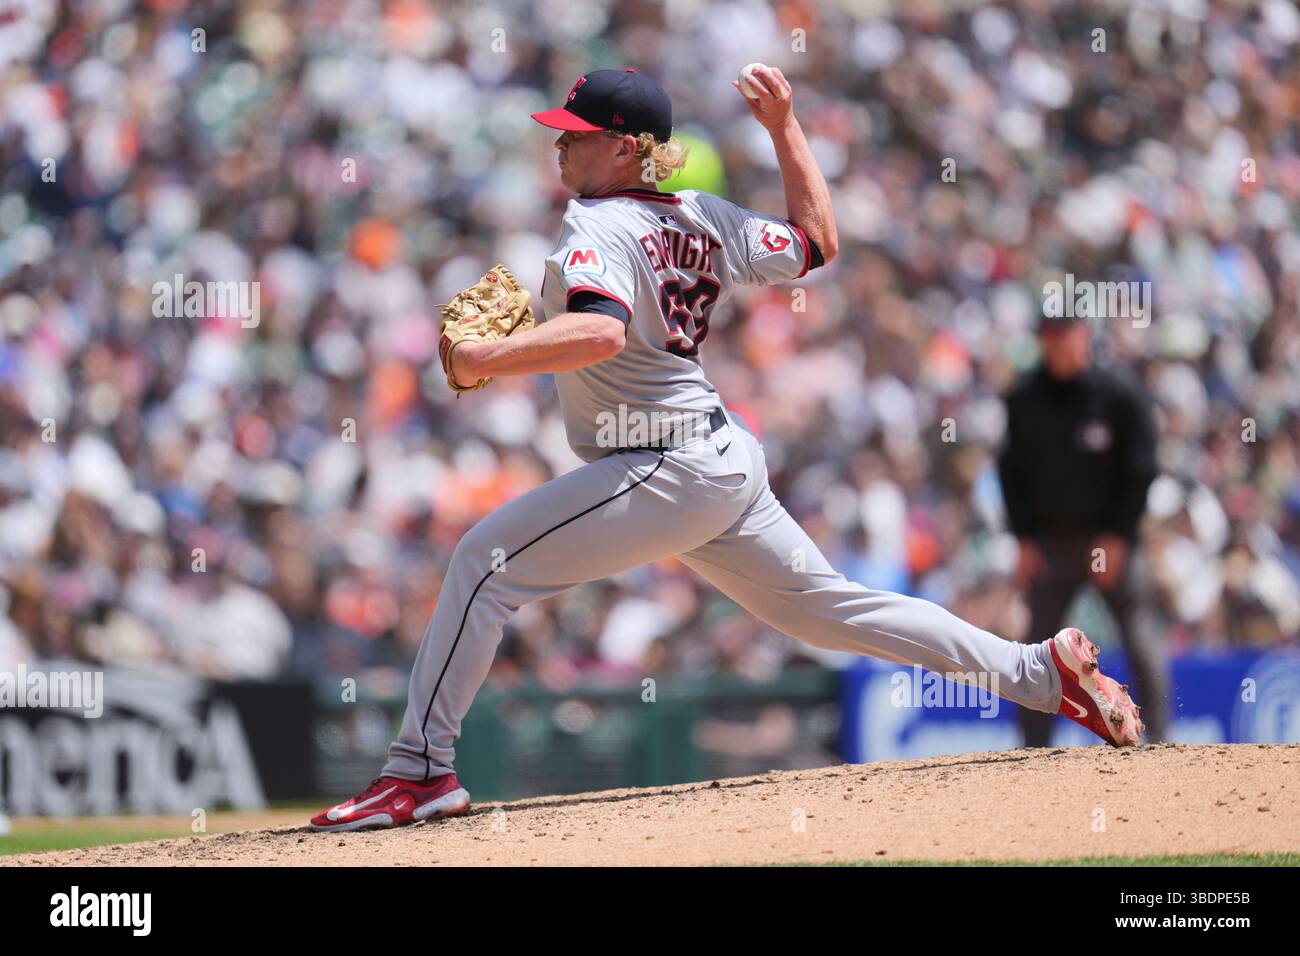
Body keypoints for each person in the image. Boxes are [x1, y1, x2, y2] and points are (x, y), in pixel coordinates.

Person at [310, 67, 1143, 832]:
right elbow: (816, 243)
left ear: (627, 146)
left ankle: (419, 770)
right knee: (829, 609)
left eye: (577, 130)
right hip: (720, 461)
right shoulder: (703, 216)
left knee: (484, 564)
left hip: (664, 461)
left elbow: (600, 331)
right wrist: (785, 128)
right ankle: (1040, 672)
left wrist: (483, 358)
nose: (559, 141)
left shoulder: (595, 221)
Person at [998, 311, 1168, 747]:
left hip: (1111, 539)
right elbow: (1010, 471)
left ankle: (1162, 742)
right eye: (1048, 335)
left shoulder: (1118, 394)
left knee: (1141, 637)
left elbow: (1142, 468)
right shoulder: (1024, 399)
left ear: (1084, 335)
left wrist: (1117, 534)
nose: (1056, 344)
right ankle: (1033, 750)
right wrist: (1022, 537)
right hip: (1050, 544)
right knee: (1036, 650)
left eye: (1064, 334)